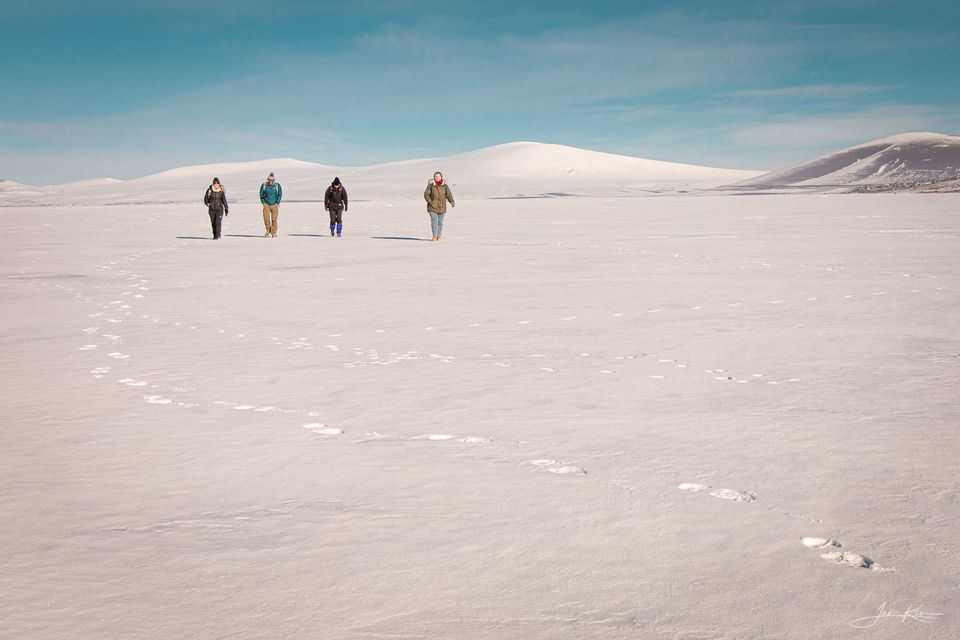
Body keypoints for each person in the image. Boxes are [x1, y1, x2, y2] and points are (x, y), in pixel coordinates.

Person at [423, 171, 455, 241]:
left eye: (438, 176)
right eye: (436, 176)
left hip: (442, 207)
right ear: (434, 177)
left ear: (441, 177)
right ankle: (434, 236)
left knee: (440, 223)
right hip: (432, 207)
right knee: (434, 221)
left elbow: (448, 194)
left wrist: (451, 201)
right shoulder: (431, 185)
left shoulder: (445, 186)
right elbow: (426, 194)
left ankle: (439, 236)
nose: (437, 177)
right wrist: (430, 202)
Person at [259, 172, 282, 237]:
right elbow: (261, 194)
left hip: (274, 204)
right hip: (266, 204)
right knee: (266, 219)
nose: (271, 181)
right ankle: (267, 231)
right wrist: (263, 202)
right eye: (269, 180)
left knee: (274, 219)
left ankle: (273, 232)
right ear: (268, 179)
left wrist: (277, 203)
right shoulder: (264, 185)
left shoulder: (277, 186)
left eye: (272, 180)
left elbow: (280, 195)